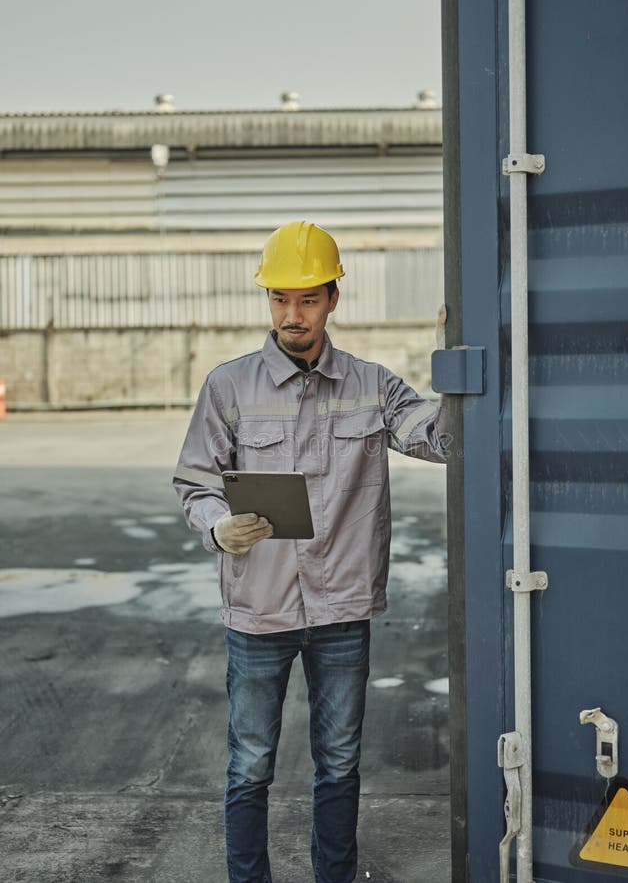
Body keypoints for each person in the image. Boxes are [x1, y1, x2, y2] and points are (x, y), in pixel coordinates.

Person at [173, 220, 448, 883]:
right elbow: (194, 484)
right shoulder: (228, 387)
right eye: (279, 299)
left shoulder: (371, 386)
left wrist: (454, 364)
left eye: (306, 299)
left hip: (340, 610)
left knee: (339, 761)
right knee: (249, 763)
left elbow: (440, 441)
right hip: (258, 610)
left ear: (331, 300)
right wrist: (217, 528)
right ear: (268, 301)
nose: (291, 314)